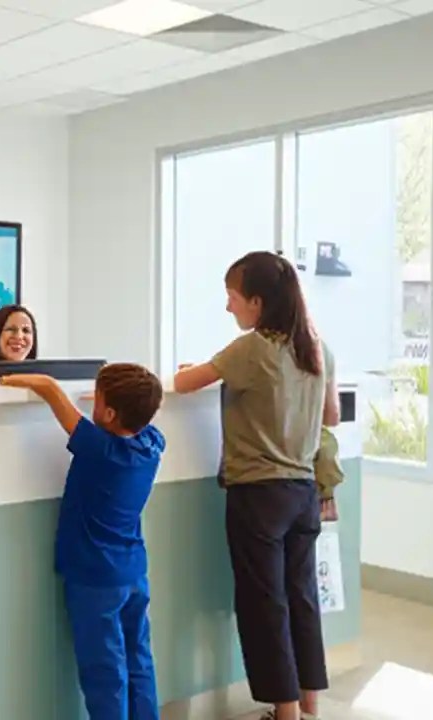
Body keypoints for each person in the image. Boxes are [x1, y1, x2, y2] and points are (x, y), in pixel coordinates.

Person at [172, 251, 340, 720]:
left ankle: (283, 713)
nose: (229, 309)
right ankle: (309, 705)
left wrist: (207, 369)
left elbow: (183, 385)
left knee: (264, 603)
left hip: (258, 495)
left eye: (232, 298)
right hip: (304, 493)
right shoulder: (317, 347)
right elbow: (331, 416)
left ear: (257, 302)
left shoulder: (250, 349)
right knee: (300, 596)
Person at [0, 364, 165, 720]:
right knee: (139, 659)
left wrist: (41, 382)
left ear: (107, 412)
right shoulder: (151, 444)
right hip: (133, 571)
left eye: (99, 399)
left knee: (105, 672)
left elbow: (53, 394)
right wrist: (114, 400)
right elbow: (132, 421)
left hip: (96, 579)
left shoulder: (101, 450)